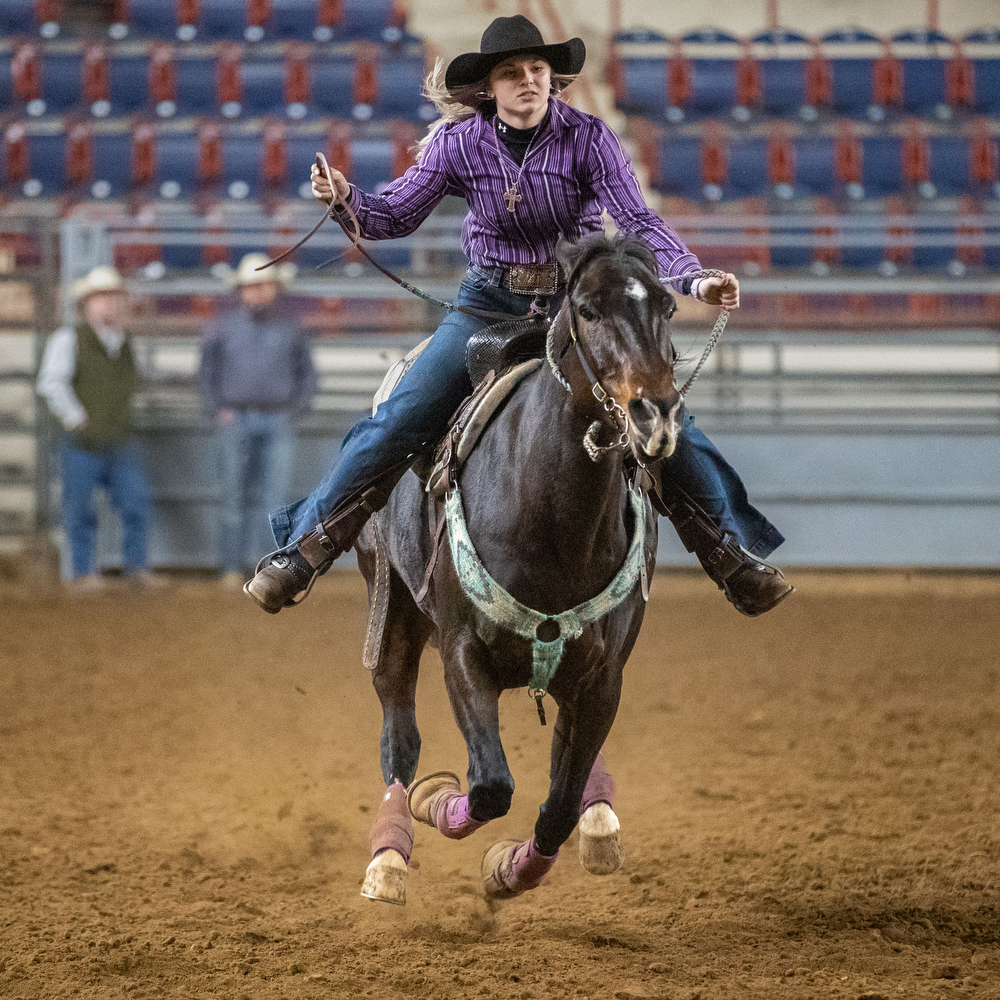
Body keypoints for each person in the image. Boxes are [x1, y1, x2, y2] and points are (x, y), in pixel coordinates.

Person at [246, 14, 792, 617]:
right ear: (489, 88)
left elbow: (638, 221)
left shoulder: (590, 137)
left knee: (662, 411)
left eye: (537, 70)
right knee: (399, 418)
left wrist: (695, 277)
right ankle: (304, 550)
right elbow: (394, 216)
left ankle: (730, 553)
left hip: (574, 308)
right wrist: (347, 200)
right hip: (485, 305)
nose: (528, 80)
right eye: (513, 73)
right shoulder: (457, 144)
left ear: (551, 79)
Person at [37, 265, 163, 591]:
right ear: (87, 305)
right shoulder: (69, 339)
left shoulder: (123, 341)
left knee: (135, 504)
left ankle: (136, 569)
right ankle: (84, 572)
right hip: (84, 440)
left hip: (119, 437)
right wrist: (77, 418)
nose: (107, 304)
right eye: (100, 298)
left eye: (111, 297)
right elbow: (52, 384)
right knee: (80, 508)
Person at [200, 253, 317, 586]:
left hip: (275, 419)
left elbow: (308, 376)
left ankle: (266, 571)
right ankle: (232, 568)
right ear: (241, 291)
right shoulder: (222, 326)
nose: (257, 292)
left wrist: (292, 410)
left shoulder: (293, 327)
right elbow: (207, 374)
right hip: (235, 418)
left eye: (262, 285)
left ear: (274, 288)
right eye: (251, 286)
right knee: (233, 496)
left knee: (274, 500)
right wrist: (217, 411)